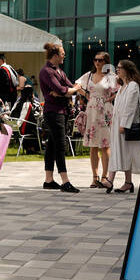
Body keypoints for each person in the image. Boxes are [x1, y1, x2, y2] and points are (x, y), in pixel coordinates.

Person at [39, 42, 83, 192]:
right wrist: (66, 91)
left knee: (52, 145)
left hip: (61, 111)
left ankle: (49, 180)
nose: (65, 55)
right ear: (56, 55)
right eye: (63, 53)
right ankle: (65, 181)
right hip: (53, 112)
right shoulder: (47, 71)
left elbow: (69, 88)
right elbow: (62, 89)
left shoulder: (59, 71)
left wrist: (70, 90)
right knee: (60, 145)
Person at [76, 51, 118, 189]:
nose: (97, 62)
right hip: (92, 110)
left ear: (106, 62)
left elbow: (119, 90)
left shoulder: (111, 76)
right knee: (93, 145)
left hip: (105, 110)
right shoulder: (89, 75)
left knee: (105, 145)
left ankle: (105, 177)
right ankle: (94, 178)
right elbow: (76, 85)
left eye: (100, 60)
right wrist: (87, 95)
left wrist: (109, 99)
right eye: (95, 60)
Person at [108, 59, 140, 193]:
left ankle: (110, 180)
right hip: (118, 123)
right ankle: (128, 182)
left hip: (126, 125)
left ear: (127, 70)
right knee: (124, 152)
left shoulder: (133, 86)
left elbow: (130, 108)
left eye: (120, 68)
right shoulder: (123, 86)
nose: (117, 70)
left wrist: (124, 125)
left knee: (126, 152)